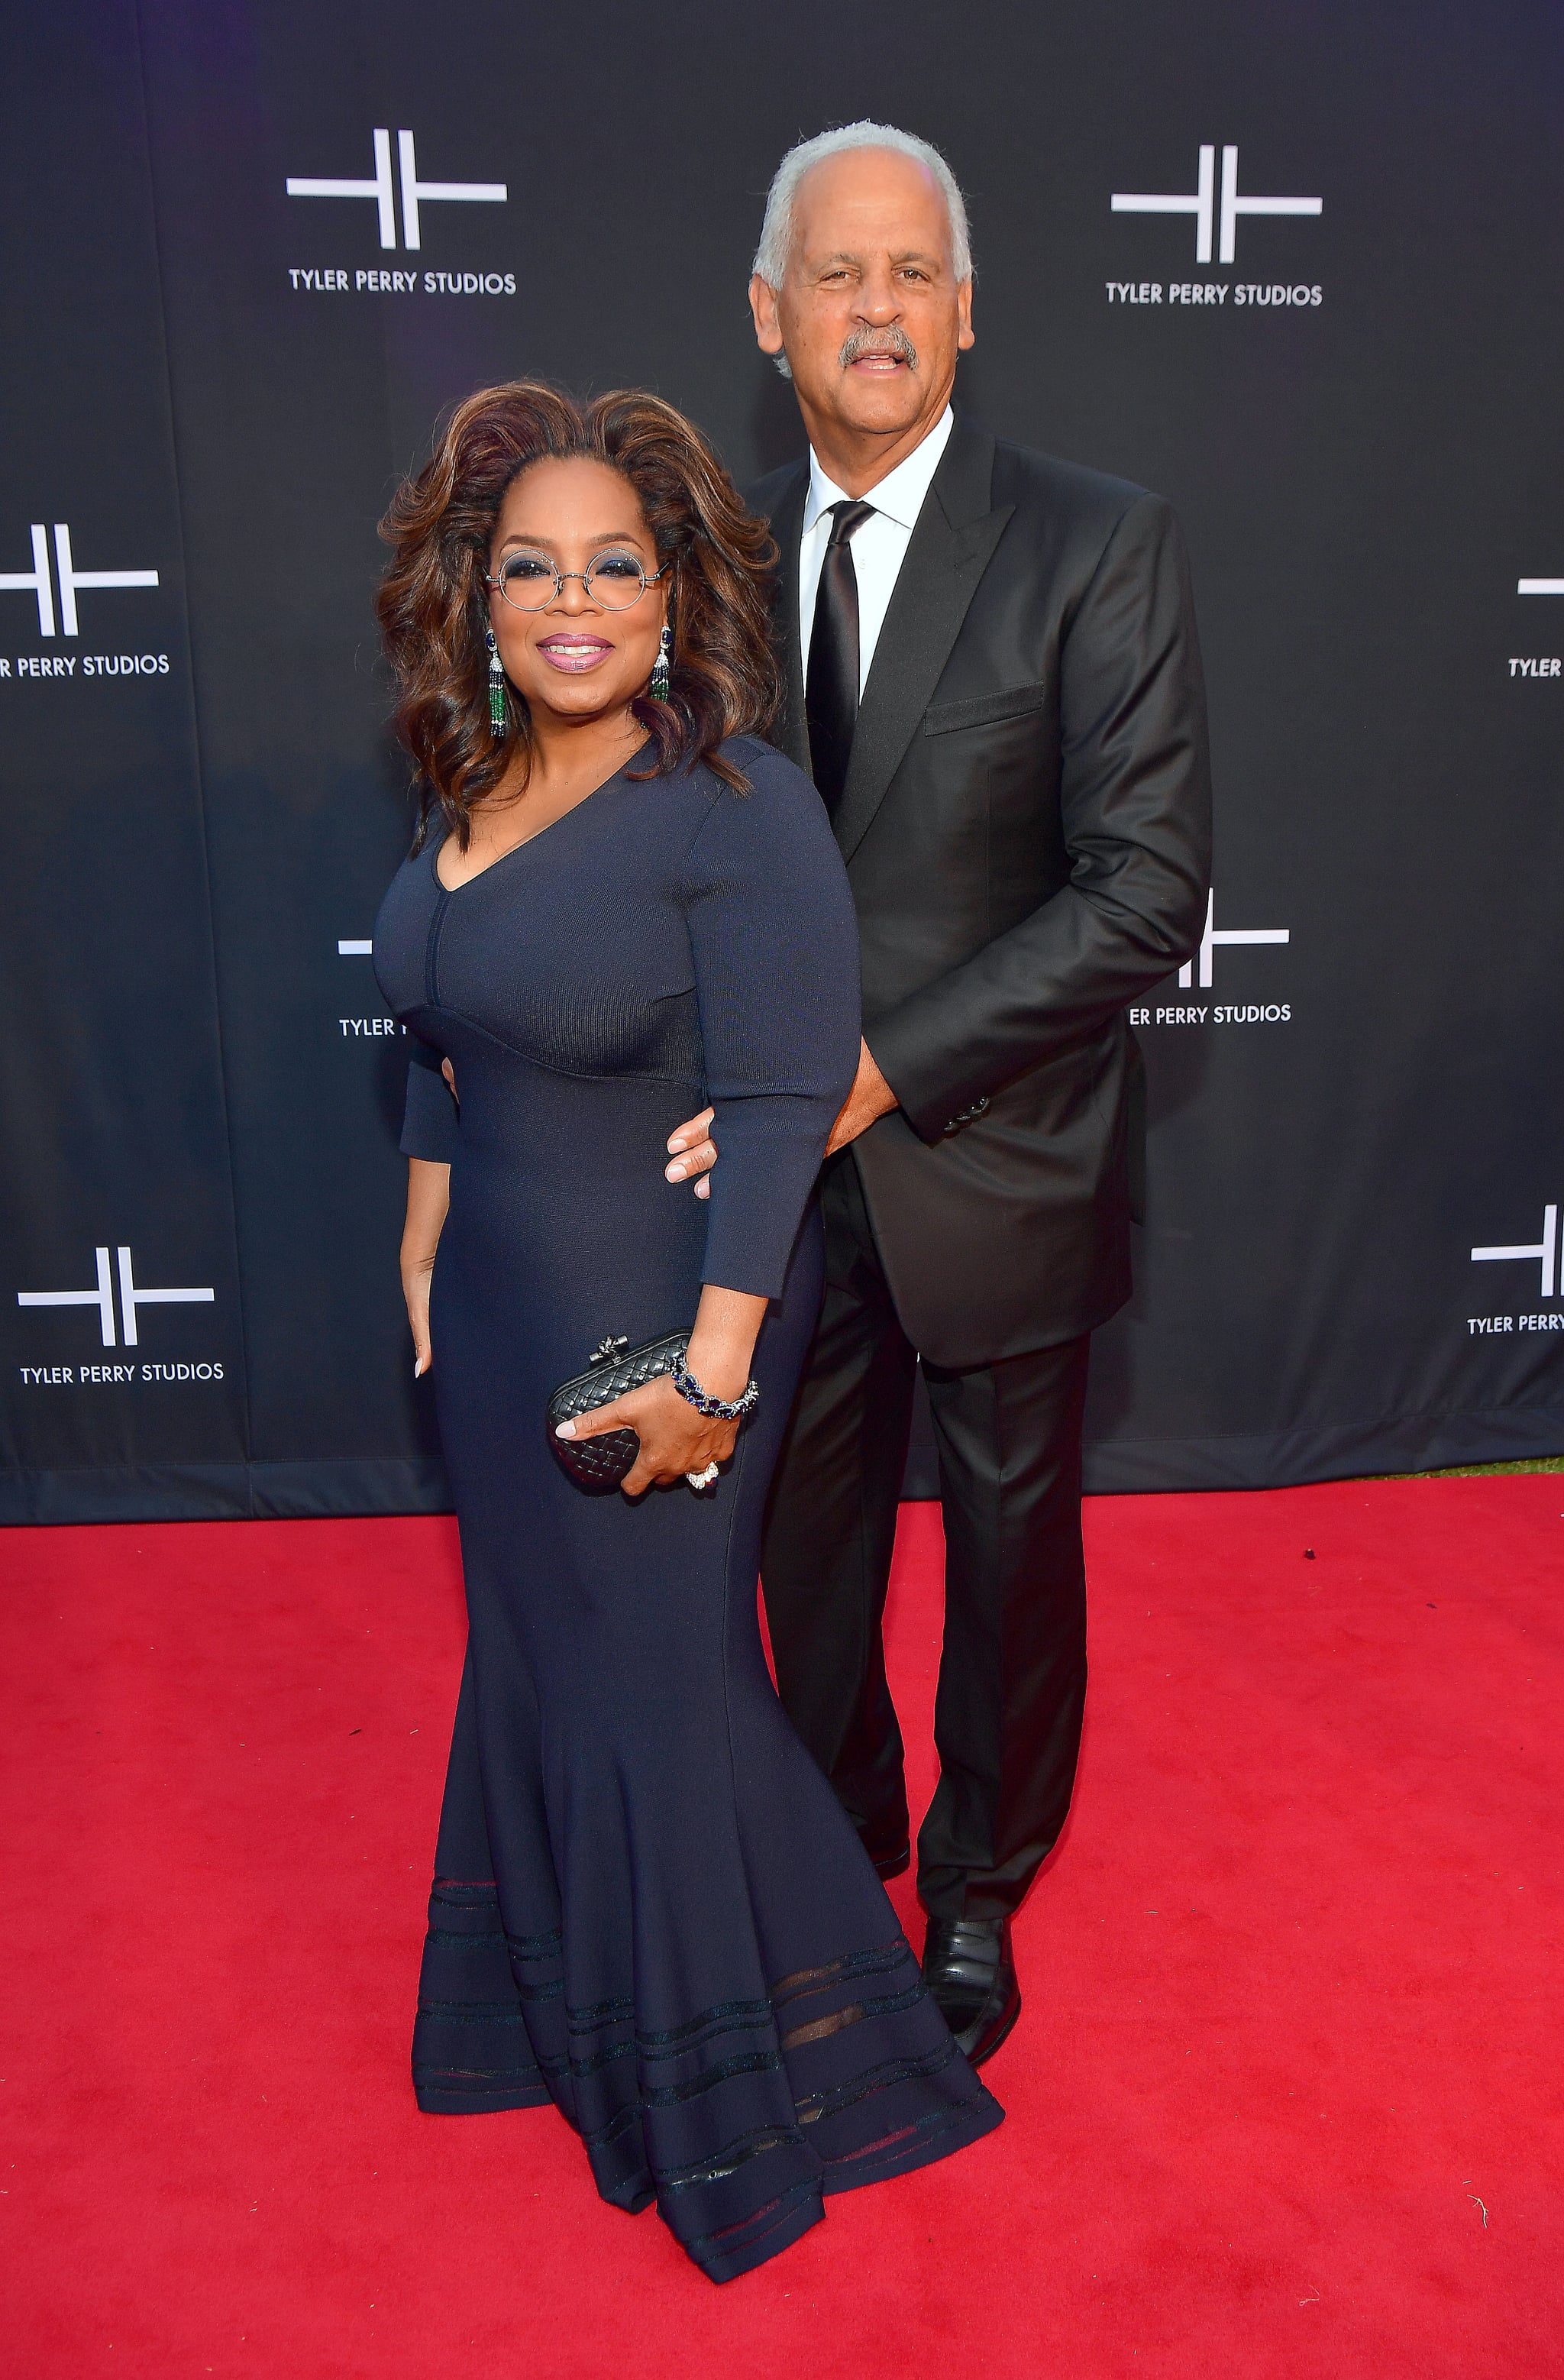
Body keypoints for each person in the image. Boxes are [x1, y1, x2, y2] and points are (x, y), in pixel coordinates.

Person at [370, 382, 1001, 2285]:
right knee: (545, 1664)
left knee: (654, 1689)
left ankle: (757, 2085)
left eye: (614, 567)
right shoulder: (472, 782)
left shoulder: (733, 801)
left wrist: (712, 1373)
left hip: (649, 1318)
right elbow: (440, 1024)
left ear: (673, 597)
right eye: (533, 566)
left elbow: (790, 1088)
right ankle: (576, 2023)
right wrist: (423, 1214)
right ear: (479, 599)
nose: (574, 601)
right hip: (493, 1308)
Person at [664, 125, 1212, 2065]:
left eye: (911, 274)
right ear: (769, 313)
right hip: (774, 1188)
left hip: (995, 1152)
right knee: (798, 1554)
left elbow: (1143, 889)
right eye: (835, 273)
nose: (875, 307)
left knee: (1004, 1555)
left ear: (966, 314)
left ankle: (978, 1884)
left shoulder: (1094, 537)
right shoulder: (708, 562)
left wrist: (875, 1075)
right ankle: (837, 1832)